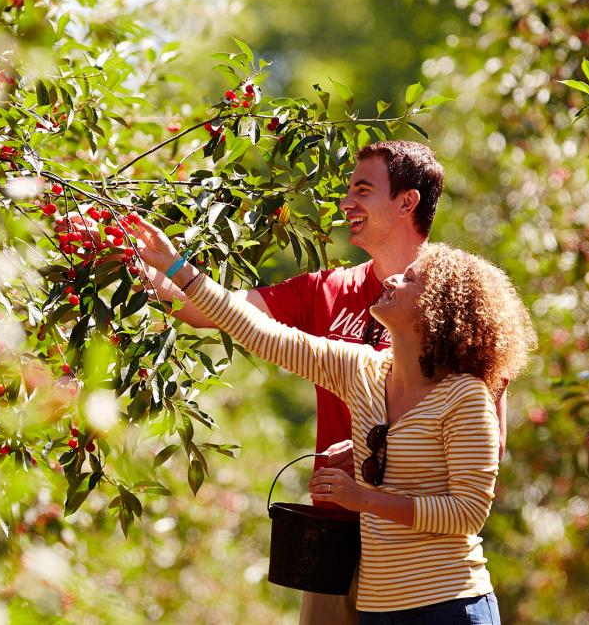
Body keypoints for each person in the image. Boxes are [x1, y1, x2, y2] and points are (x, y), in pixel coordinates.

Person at [129, 141, 507, 624]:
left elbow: (476, 479)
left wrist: (373, 472)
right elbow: (241, 322)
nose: (345, 203)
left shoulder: (465, 347)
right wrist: (142, 264)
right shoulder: (345, 332)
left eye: (363, 189)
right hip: (345, 555)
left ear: (406, 202)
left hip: (439, 587)